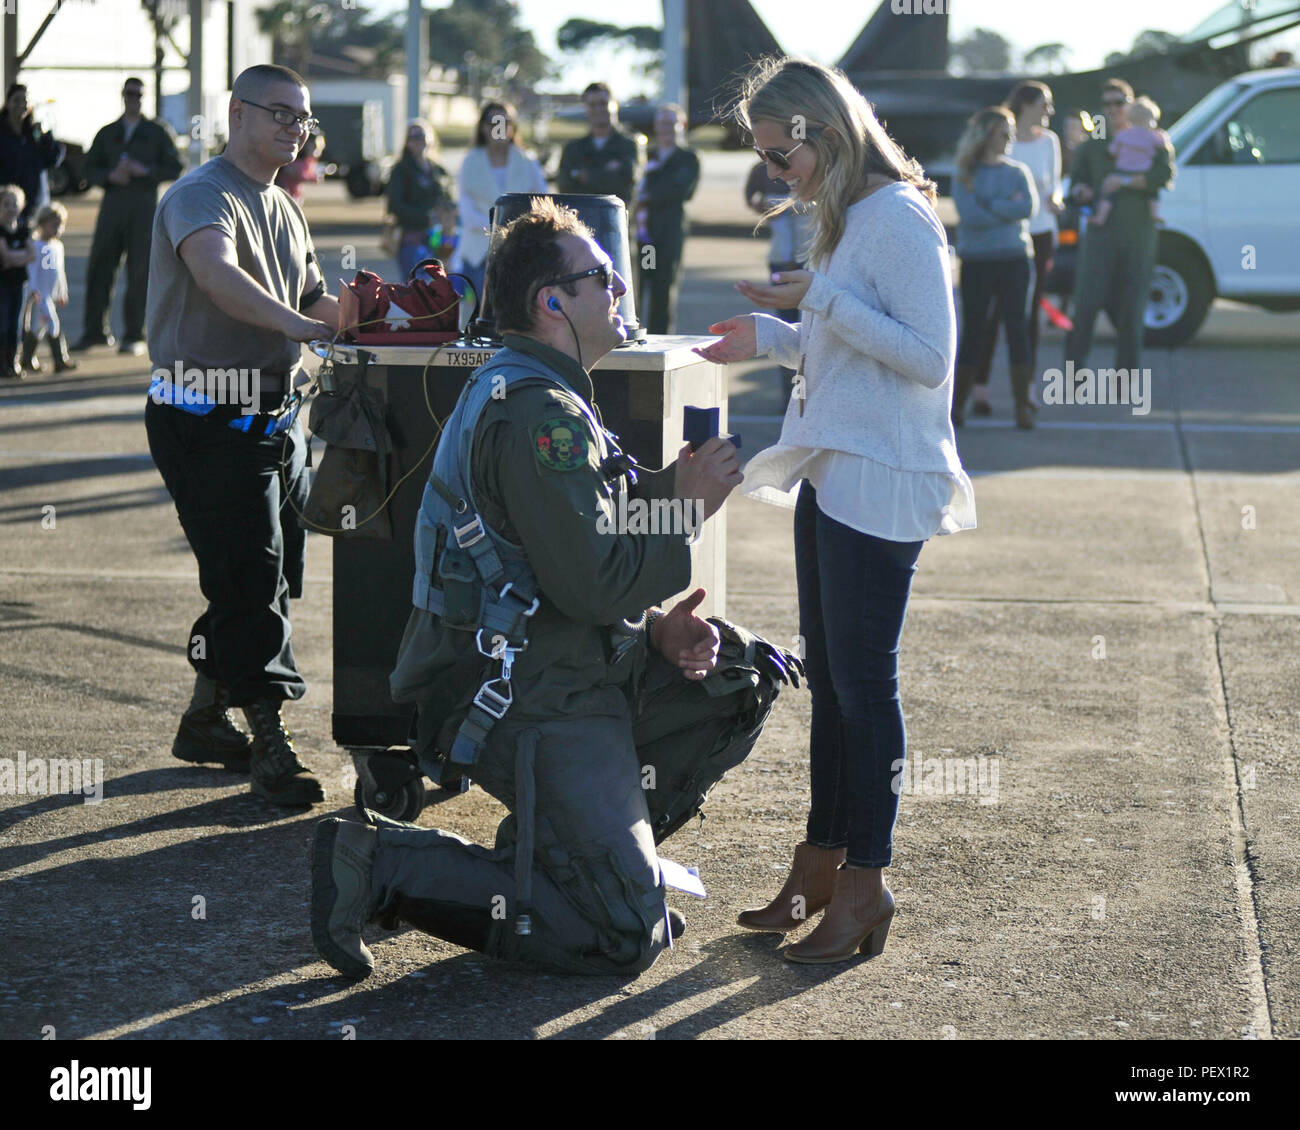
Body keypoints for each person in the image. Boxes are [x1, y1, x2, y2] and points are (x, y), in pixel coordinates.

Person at [310, 197, 765, 981]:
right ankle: (382, 862)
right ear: (552, 302)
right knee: (622, 936)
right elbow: (588, 582)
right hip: (521, 686)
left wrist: (655, 627)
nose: (619, 284)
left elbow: (562, 560)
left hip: (560, 660)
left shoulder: (551, 393)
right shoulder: (538, 414)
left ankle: (560, 862)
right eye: (602, 277)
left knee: (741, 677)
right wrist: (685, 506)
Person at [697, 57, 976, 963]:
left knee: (865, 690)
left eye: (781, 156)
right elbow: (854, 350)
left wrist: (813, 297)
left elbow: (928, 358)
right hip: (836, 469)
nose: (776, 175)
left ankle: (866, 883)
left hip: (883, 475)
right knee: (834, 687)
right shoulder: (849, 216)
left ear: (821, 132)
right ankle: (821, 867)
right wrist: (776, 339)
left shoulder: (896, 217)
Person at [143, 64, 340, 807]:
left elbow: (317, 296)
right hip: (205, 416)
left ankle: (202, 718)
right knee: (252, 582)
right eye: (282, 114)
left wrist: (392, 313)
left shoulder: (284, 206)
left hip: (274, 420)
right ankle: (270, 744)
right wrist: (298, 325)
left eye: (304, 118)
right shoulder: (200, 194)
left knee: (268, 575)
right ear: (238, 112)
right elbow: (217, 274)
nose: (295, 128)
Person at [1065, 78, 1174, 376]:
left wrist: (1125, 181)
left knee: (1133, 308)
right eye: (1107, 105)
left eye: (1119, 103)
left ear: (1131, 105)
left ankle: (1126, 377)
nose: (1113, 110)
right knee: (1086, 305)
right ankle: (1073, 376)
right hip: (1101, 234)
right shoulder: (1093, 147)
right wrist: (1081, 193)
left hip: (1139, 232)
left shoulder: (1152, 140)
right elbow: (1074, 186)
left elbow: (1164, 174)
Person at [969, 81, 1062, 418]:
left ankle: (1027, 391)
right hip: (1004, 236)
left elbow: (1051, 188)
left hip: (1040, 234)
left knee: (1026, 315)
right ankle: (979, 387)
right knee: (990, 316)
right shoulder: (1002, 136)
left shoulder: (1050, 142)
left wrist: (1054, 201)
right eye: (1044, 104)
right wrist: (1011, 204)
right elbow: (994, 186)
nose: (1049, 111)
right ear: (1026, 105)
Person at [74, 78, 183, 355]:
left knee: (140, 272)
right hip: (112, 206)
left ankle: (134, 334)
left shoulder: (158, 132)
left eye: (138, 94)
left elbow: (175, 167)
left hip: (143, 209)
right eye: (129, 94)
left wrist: (144, 170)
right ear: (122, 96)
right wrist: (108, 176)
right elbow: (88, 168)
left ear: (144, 97)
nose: (133, 98)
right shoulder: (108, 132)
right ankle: (94, 331)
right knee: (100, 267)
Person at [950, 107, 1039, 429]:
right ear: (987, 135)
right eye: (1004, 133)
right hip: (977, 261)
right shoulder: (964, 173)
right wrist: (1006, 208)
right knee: (974, 330)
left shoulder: (1018, 172)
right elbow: (969, 216)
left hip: (1015, 258)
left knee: (1018, 329)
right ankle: (957, 405)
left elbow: (1027, 207)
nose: (1010, 139)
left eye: (1012, 132)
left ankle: (1022, 406)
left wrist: (990, 205)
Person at [450, 100, 547, 304]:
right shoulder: (469, 162)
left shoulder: (527, 161)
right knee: (482, 316)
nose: (499, 128)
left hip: (520, 252)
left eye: (505, 122)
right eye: (494, 122)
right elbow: (466, 212)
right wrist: (499, 228)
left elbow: (543, 203)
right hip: (478, 253)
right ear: (483, 127)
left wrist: (517, 230)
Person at [634, 103, 700, 334]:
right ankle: (639, 335)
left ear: (681, 126)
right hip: (646, 237)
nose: (665, 129)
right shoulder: (647, 155)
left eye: (670, 123)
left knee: (663, 288)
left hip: (669, 234)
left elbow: (680, 191)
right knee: (642, 286)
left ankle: (660, 338)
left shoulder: (687, 159)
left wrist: (650, 194)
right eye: (661, 123)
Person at [744, 158, 814, 324]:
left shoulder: (804, 163)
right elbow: (750, 194)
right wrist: (762, 207)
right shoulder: (761, 168)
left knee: (796, 242)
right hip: (785, 231)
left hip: (799, 230)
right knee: (784, 246)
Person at [385, 119, 455, 282]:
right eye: (413, 137)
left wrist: (448, 215)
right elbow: (395, 205)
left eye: (422, 135)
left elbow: (449, 199)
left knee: (439, 289)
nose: (419, 140)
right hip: (412, 240)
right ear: (407, 143)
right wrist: (425, 217)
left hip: (438, 240)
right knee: (415, 290)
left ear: (431, 139)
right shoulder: (400, 170)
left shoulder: (438, 169)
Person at [556, 82, 643, 208]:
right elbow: (565, 187)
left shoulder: (629, 145)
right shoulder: (573, 149)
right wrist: (606, 174)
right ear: (586, 108)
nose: (598, 109)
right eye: (592, 105)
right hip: (581, 221)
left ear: (615, 105)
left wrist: (585, 176)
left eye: (603, 103)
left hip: (615, 222)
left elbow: (626, 185)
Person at [1091, 97, 1167, 226]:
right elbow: (1162, 145)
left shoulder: (1123, 134)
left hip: (1123, 169)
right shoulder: (1153, 136)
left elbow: (1112, 150)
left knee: (1109, 194)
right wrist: (1162, 136)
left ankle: (1100, 216)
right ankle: (1155, 214)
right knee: (1153, 194)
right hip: (1143, 171)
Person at [21, 201, 76, 375]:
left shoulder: (57, 247)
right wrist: (33, 290)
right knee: (53, 324)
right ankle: (60, 360)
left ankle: (27, 359)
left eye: (61, 225)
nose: (58, 229)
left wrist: (62, 291)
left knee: (39, 328)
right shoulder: (38, 247)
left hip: (50, 294)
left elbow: (59, 272)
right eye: (54, 225)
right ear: (42, 224)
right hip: (41, 296)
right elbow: (33, 271)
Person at [0, 85, 61, 227]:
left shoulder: (34, 134)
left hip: (34, 204)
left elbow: (53, 159)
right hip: (8, 206)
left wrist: (45, 137)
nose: (21, 105)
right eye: (16, 100)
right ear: (8, 103)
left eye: (25, 101)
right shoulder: (2, 134)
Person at [0, 184, 36, 379]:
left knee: (16, 325)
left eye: (15, 204)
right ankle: (1, 363)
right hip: (3, 284)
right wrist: (19, 256)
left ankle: (13, 362)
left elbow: (32, 255)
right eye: (6, 204)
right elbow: (4, 256)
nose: (11, 208)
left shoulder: (23, 229)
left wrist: (15, 257)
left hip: (19, 283)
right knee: (2, 324)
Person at [275, 131, 326, 203]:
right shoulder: (293, 160)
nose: (318, 151)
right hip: (285, 191)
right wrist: (313, 178)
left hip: (296, 194)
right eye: (314, 147)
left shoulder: (310, 161)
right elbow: (293, 173)